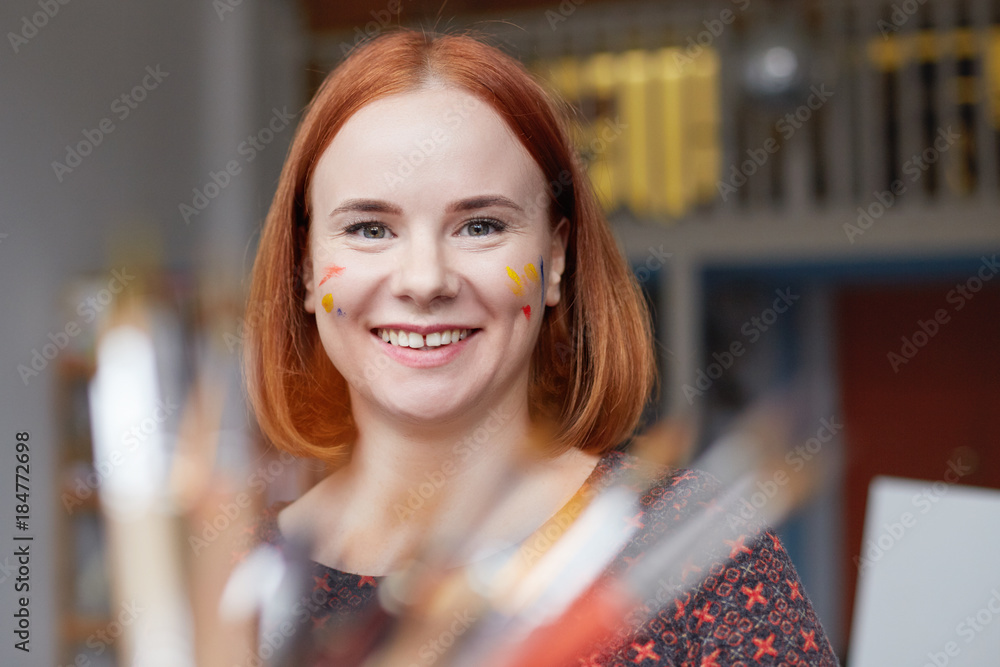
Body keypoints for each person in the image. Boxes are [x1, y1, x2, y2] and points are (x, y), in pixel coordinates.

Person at [241, 28, 839, 665]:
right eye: (368, 227)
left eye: (480, 226)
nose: (425, 280)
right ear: (305, 268)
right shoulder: (234, 584)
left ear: (554, 258)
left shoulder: (696, 550)